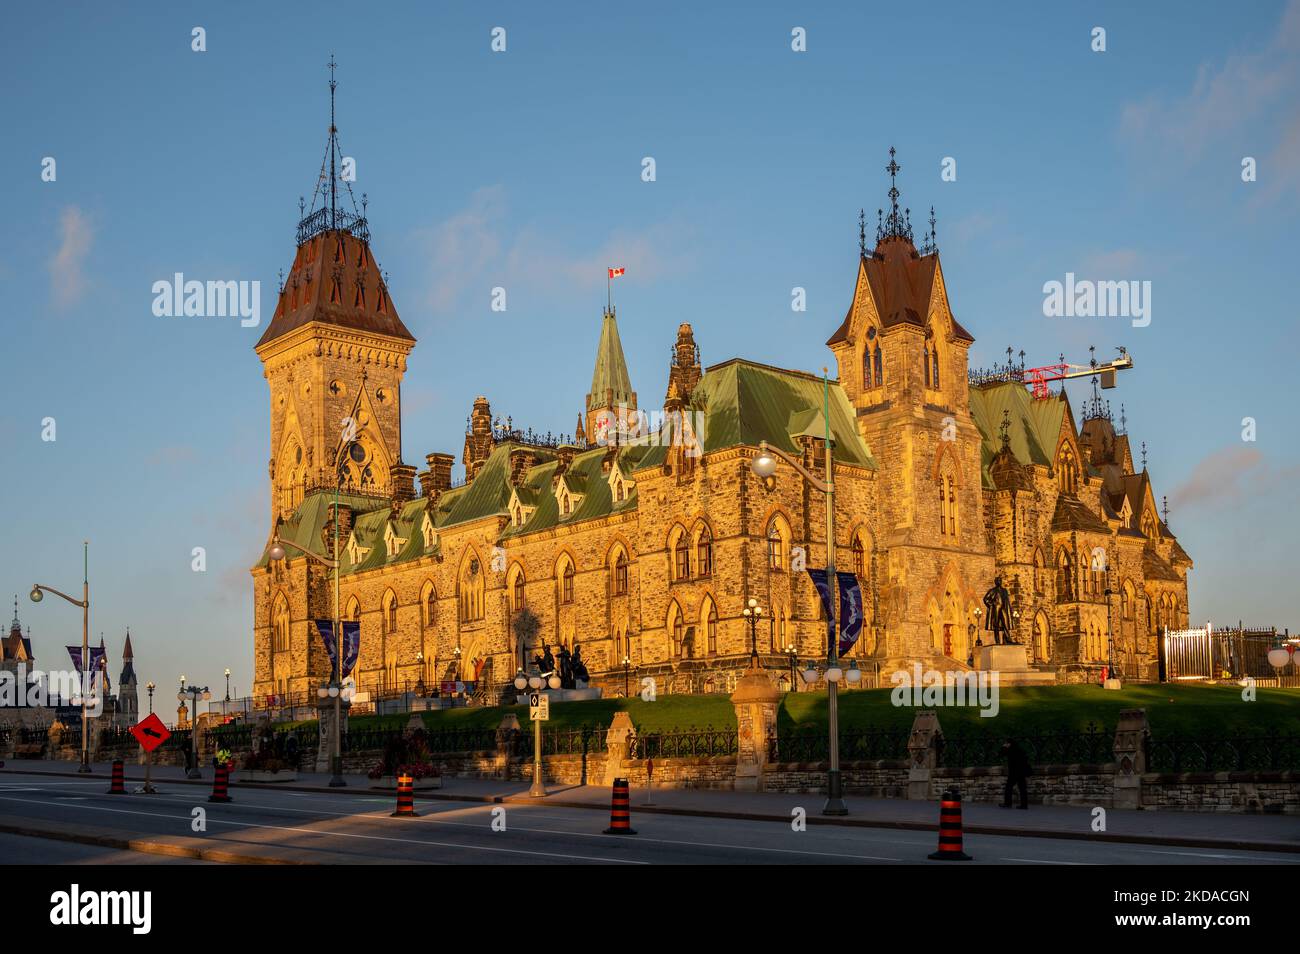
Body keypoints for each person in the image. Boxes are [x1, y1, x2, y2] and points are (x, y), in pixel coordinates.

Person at [1000, 738, 1030, 809]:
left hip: (1014, 772)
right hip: (1021, 771)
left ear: (1009, 744)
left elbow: (1001, 754)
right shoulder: (1020, 750)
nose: (1006, 744)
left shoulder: (1010, 750)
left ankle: (1008, 803)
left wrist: (1003, 747)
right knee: (1022, 788)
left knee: (1008, 787)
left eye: (1006, 743)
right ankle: (1024, 805)